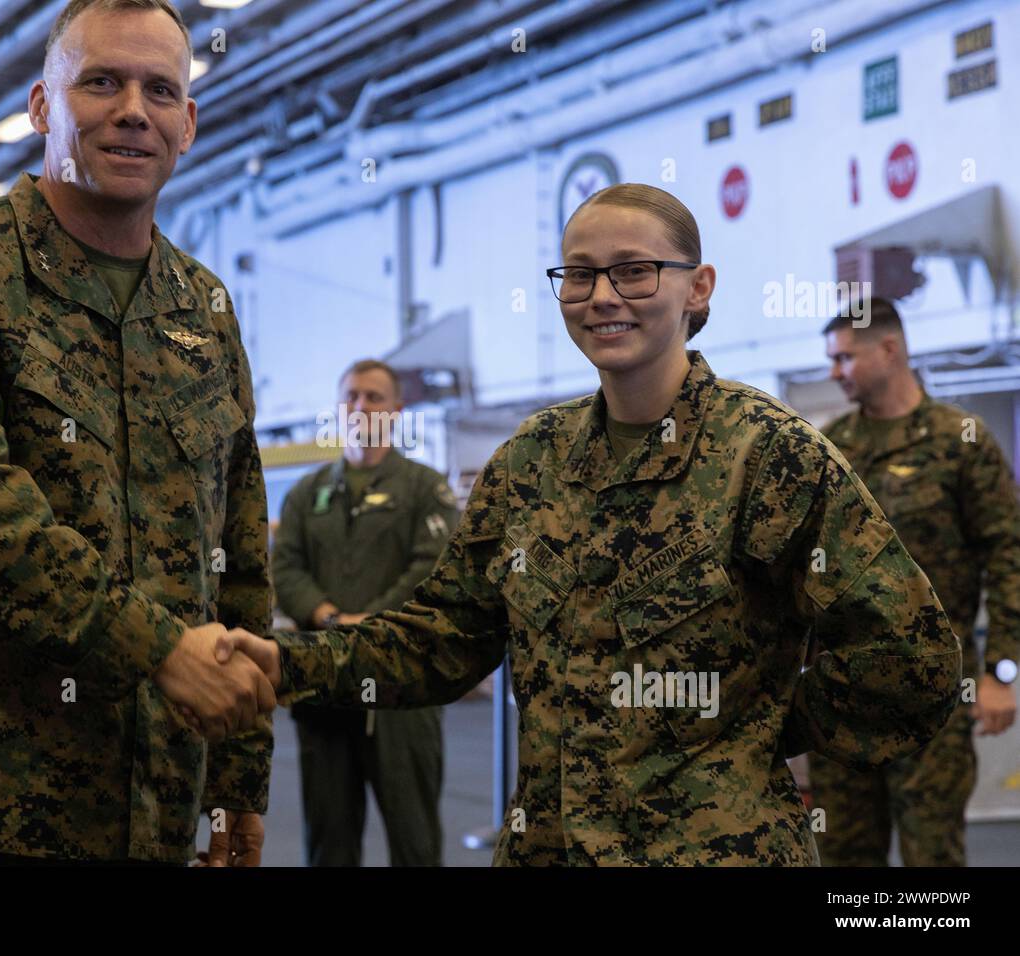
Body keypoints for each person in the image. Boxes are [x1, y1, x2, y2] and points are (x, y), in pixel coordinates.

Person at [222, 182, 961, 866]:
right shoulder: (530, 464)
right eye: (579, 275)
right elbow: (443, 639)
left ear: (698, 288)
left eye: (634, 271)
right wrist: (288, 664)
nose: (603, 296)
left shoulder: (768, 457)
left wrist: (760, 731)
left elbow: (914, 660)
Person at [0, 0, 275, 867]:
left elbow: (239, 557)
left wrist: (235, 783)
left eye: (159, 90)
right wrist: (158, 647)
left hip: (147, 816)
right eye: (100, 82)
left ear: (189, 124)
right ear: (41, 107)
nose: (133, 109)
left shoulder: (204, 310)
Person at [811, 298, 1020, 866]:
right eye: (831, 360)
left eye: (844, 358)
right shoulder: (832, 449)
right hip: (845, 693)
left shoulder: (960, 441)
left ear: (890, 349)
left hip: (935, 690)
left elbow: (1008, 554)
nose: (835, 372)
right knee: (844, 857)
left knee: (932, 856)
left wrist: (1003, 671)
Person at [272, 359, 458, 866]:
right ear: (338, 408)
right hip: (325, 690)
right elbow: (285, 568)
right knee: (328, 843)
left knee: (414, 841)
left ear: (397, 410)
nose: (361, 405)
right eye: (352, 395)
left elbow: (431, 570)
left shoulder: (426, 489)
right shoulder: (307, 494)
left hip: (403, 692)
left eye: (374, 396)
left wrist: (369, 625)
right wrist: (330, 618)